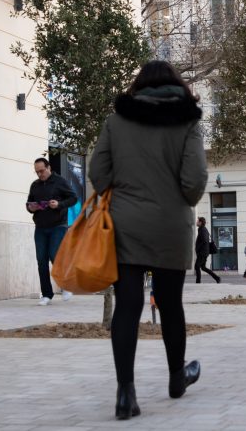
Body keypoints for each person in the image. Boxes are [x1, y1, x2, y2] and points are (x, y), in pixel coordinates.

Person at [89, 60, 208, 420]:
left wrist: (121, 196)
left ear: (138, 86)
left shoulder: (116, 122)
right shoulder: (188, 123)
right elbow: (195, 180)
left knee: (127, 306)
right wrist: (178, 201)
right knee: (171, 305)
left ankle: (125, 393)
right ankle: (176, 378)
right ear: (177, 86)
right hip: (171, 226)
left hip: (124, 226)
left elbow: (97, 171)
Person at [27, 157, 79, 306]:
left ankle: (66, 285)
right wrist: (31, 208)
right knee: (41, 261)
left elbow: (73, 198)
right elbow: (29, 203)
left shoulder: (60, 181)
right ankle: (47, 295)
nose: (40, 174)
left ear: (49, 167)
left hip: (58, 226)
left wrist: (59, 204)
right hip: (40, 227)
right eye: (37, 172)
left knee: (54, 255)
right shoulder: (35, 185)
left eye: (42, 171)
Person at [194, 217, 220, 284]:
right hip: (204, 252)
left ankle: (198, 282)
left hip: (202, 252)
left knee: (197, 266)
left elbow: (205, 241)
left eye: (197, 221)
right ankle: (217, 278)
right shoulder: (202, 229)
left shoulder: (203, 230)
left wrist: (198, 248)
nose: (196, 222)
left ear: (200, 222)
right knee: (203, 267)